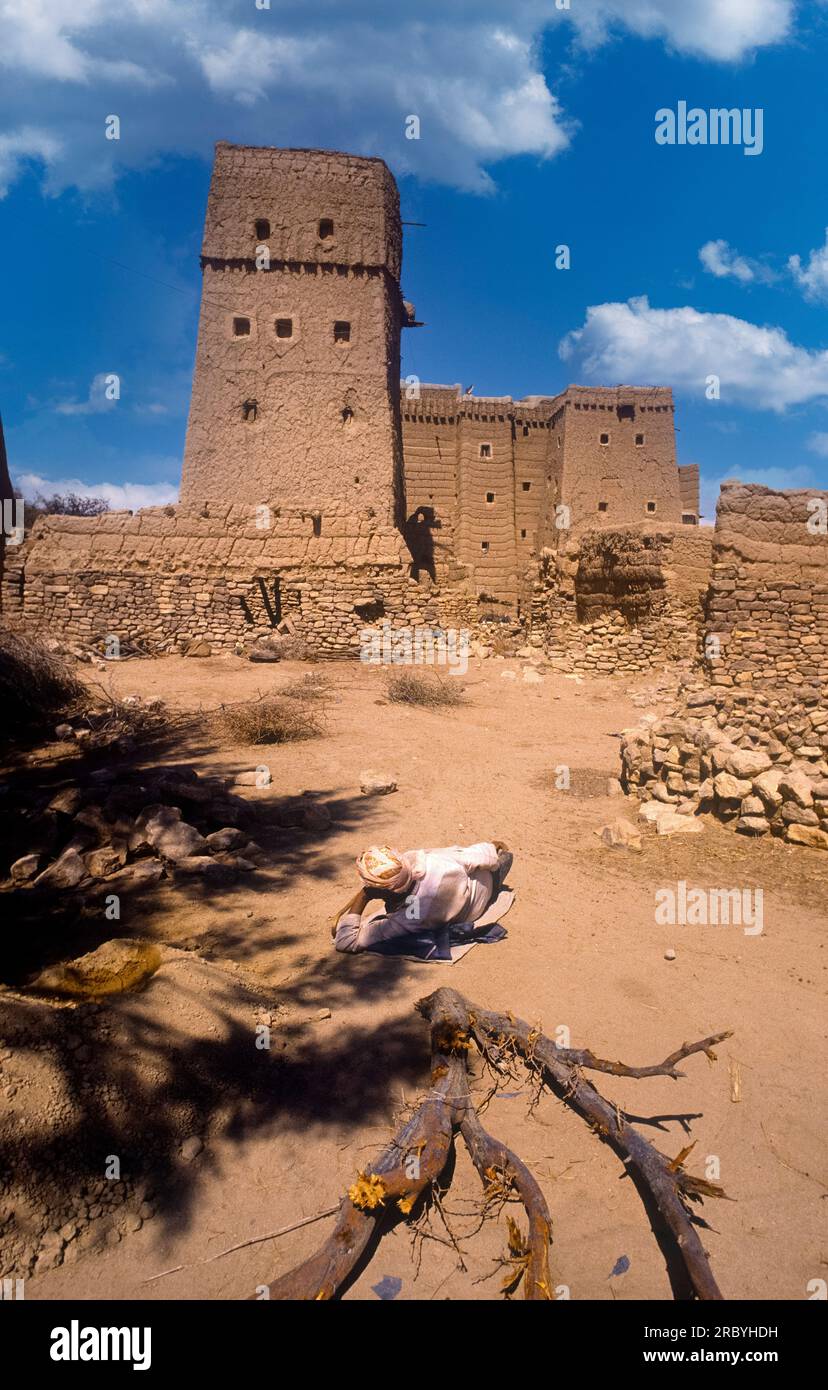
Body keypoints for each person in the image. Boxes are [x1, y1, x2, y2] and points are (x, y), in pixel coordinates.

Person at [332, 840, 512, 955]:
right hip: (481, 883)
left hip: (474, 908)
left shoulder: (410, 915)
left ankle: (494, 871)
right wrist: (491, 852)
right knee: (475, 854)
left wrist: (364, 897)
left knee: (475, 861)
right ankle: (497, 866)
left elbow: (346, 941)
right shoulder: (428, 862)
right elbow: (472, 858)